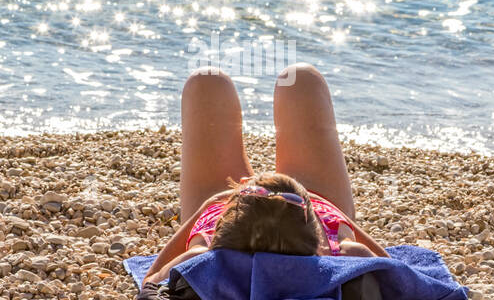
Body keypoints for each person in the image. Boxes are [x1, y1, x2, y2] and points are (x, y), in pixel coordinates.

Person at [142, 63, 390, 287]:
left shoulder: (201, 257)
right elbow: (396, 271)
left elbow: (150, 283)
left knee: (206, 82)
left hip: (242, 219)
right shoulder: (344, 252)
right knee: (299, 79)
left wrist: (207, 206)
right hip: (315, 206)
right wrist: (316, 202)